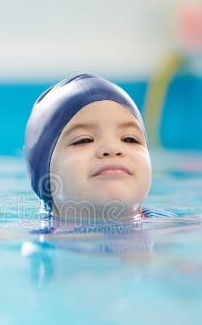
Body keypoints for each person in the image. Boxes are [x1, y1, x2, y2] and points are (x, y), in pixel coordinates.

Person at [24, 74, 173, 226]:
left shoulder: (172, 227)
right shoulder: (37, 236)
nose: (112, 148)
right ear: (44, 176)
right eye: (84, 140)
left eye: (129, 139)